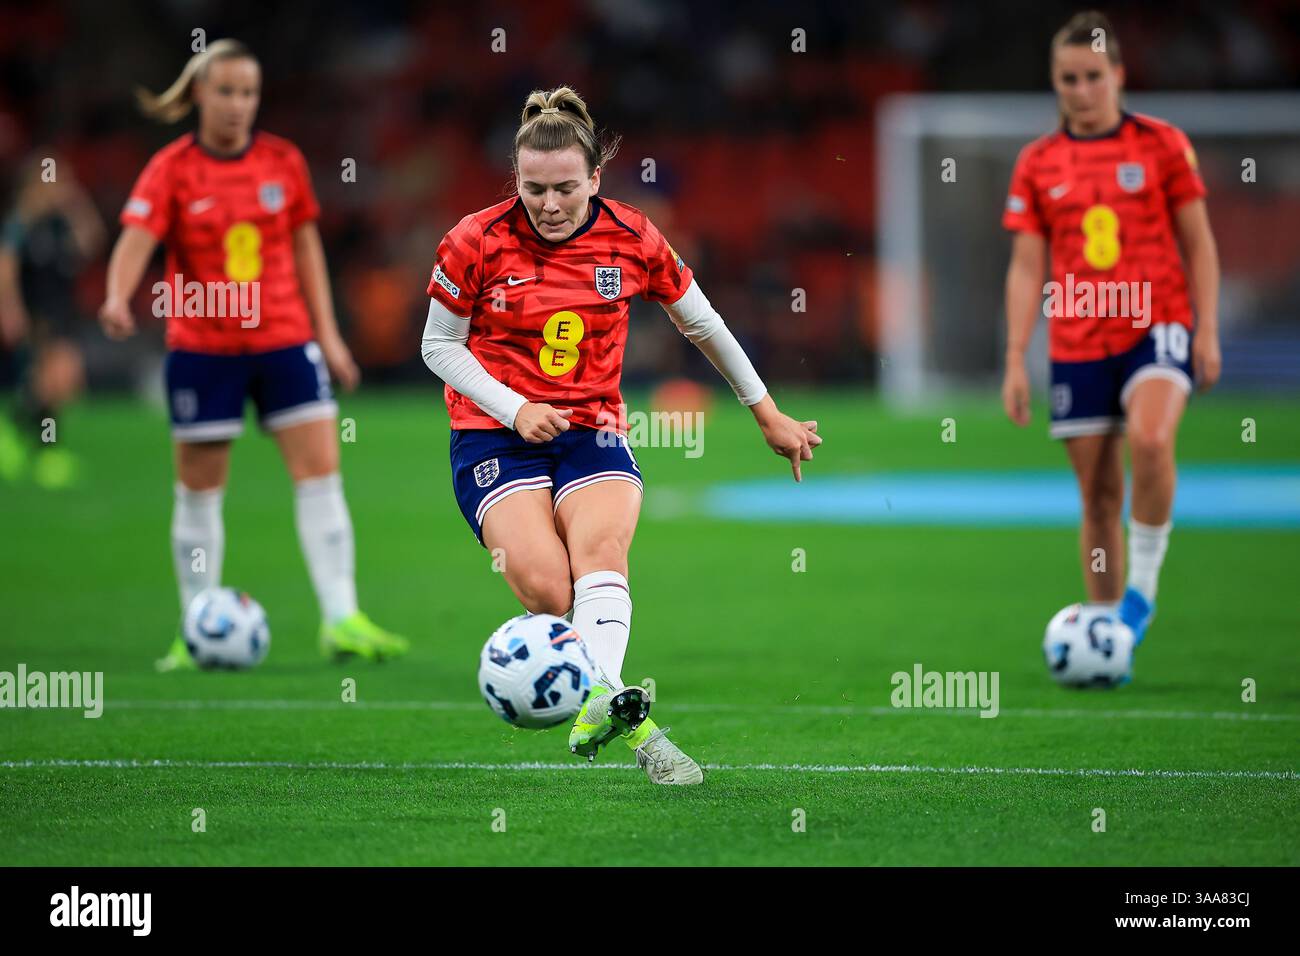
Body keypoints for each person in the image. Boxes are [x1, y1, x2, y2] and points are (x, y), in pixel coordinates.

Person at [422, 86, 822, 784]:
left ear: (596, 179)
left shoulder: (633, 236)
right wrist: (514, 406)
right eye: (534, 188)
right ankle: (618, 704)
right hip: (492, 436)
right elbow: (439, 345)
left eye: (566, 189)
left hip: (592, 428)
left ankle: (602, 708)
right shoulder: (473, 240)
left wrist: (765, 410)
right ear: (515, 178)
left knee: (602, 549)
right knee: (549, 592)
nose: (549, 204)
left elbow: (700, 322)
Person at [98, 39, 408, 670]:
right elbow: (138, 237)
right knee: (200, 492)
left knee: (321, 476)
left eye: (248, 93)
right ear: (198, 96)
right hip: (204, 348)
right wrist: (116, 295)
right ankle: (194, 627)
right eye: (226, 91)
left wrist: (328, 334)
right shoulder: (172, 168)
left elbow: (306, 251)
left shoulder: (282, 162)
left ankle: (341, 618)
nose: (238, 104)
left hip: (285, 342)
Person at [1001, 11, 1221, 658]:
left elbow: (1198, 243)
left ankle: (1140, 597)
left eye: (1093, 76)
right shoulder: (1038, 163)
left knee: (1152, 439)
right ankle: (1107, 636)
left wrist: (1205, 330)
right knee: (1098, 495)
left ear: (1118, 75)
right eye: (1068, 78)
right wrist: (1016, 356)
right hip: (1075, 340)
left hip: (1157, 326)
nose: (1081, 89)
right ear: (1055, 81)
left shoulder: (1162, 145)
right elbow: (1025, 265)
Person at [0, 153, 105, 489]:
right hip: (38, 312)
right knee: (57, 378)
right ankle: (46, 450)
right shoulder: (22, 223)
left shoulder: (61, 224)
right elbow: (6, 268)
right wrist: (10, 309)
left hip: (63, 310)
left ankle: (16, 429)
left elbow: (92, 241)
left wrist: (75, 200)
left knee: (57, 383)